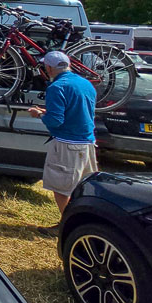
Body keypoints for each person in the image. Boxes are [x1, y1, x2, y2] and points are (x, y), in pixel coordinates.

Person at [27, 51, 98, 235]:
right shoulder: (86, 83)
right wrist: (49, 110)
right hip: (87, 142)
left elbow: (56, 121)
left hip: (68, 144)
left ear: (49, 68)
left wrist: (40, 114)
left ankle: (67, 226)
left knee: (61, 189)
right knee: (81, 187)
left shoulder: (56, 87)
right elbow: (79, 110)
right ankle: (83, 223)